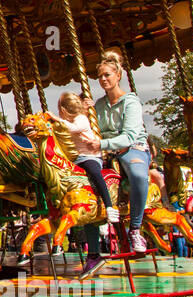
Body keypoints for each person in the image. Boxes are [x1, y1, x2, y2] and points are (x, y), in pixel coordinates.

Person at [79, 50, 151, 256]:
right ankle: (92, 250)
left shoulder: (131, 102)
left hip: (131, 148)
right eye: (100, 76)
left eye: (107, 75)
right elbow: (92, 130)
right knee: (85, 185)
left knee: (137, 175)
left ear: (118, 75)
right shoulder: (99, 105)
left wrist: (101, 143)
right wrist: (86, 113)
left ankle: (135, 229)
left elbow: (129, 136)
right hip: (105, 152)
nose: (103, 79)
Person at [53, 91, 119, 224]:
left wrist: (55, 119)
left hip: (91, 157)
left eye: (60, 109)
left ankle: (109, 207)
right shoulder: (65, 122)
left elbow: (72, 128)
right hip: (77, 159)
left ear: (64, 110)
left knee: (94, 172)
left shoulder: (81, 119)